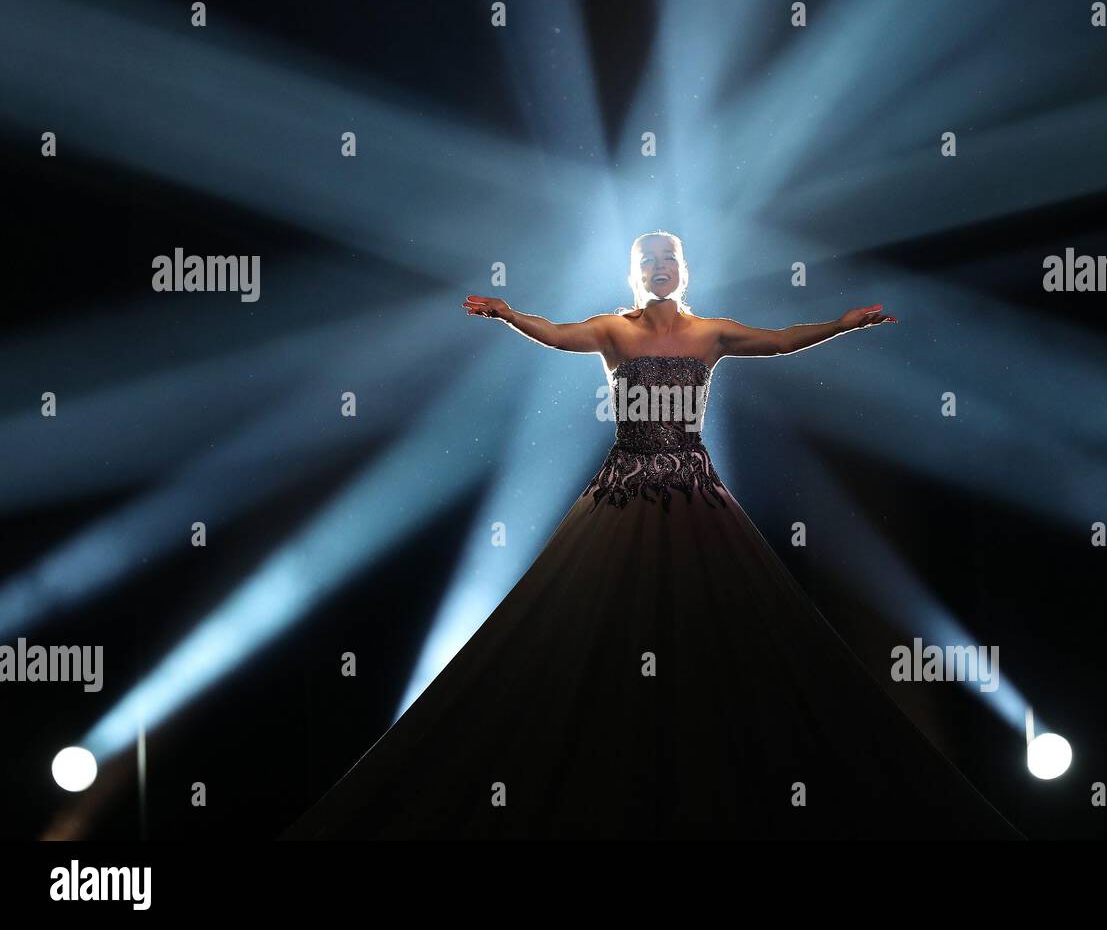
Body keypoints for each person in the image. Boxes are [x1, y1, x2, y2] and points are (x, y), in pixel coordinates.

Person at [281, 231, 1022, 839]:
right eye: (649, 262)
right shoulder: (613, 329)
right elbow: (557, 334)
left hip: (694, 488)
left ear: (682, 269)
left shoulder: (710, 332)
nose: (661, 270)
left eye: (670, 260)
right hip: (627, 484)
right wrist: (509, 315)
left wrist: (839, 324)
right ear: (635, 273)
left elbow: (778, 340)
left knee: (724, 622)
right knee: (594, 616)